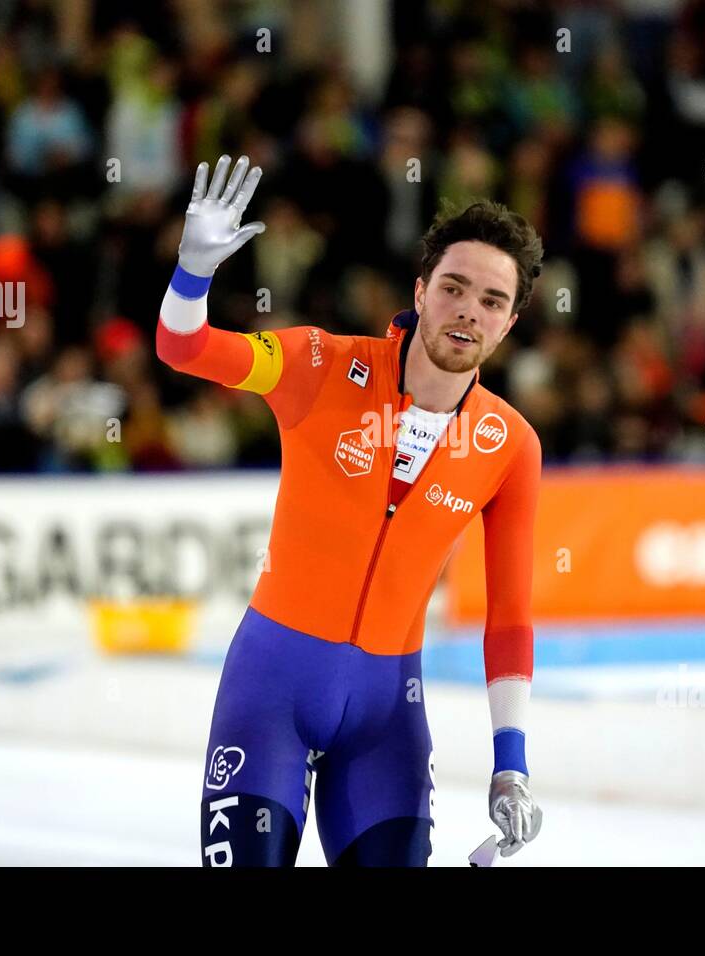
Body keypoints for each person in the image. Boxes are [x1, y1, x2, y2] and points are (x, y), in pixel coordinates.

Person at [156, 154, 544, 866]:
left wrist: (510, 764)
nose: (468, 310)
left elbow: (511, 618)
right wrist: (193, 274)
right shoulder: (319, 364)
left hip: (387, 718)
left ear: (509, 323)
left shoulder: (510, 446)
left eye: (491, 301)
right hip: (270, 693)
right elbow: (184, 349)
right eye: (453, 288)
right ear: (421, 292)